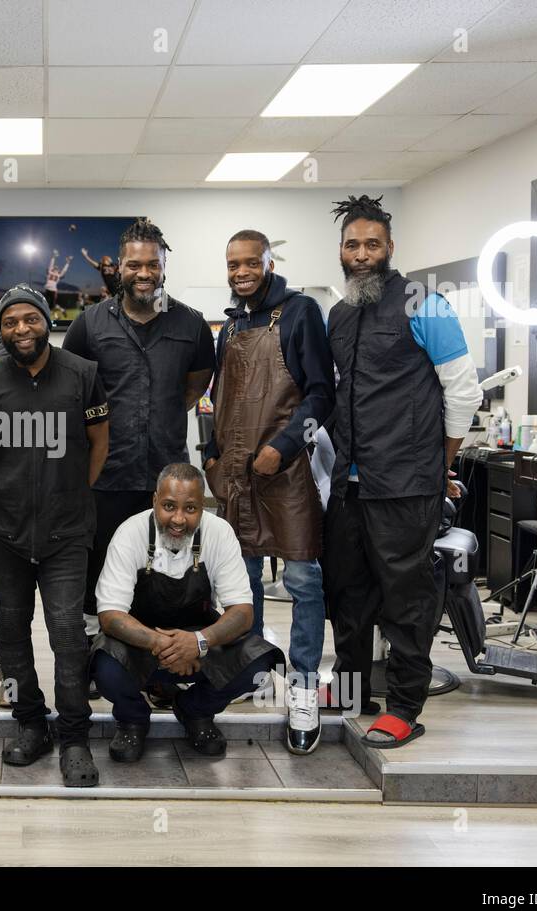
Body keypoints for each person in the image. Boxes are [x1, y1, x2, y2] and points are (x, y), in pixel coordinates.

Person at [321, 195, 483, 748]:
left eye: (372, 245)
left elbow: (463, 390)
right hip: (350, 482)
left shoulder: (425, 305)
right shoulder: (339, 315)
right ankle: (350, 691)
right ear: (341, 251)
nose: (361, 254)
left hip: (407, 484)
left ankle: (406, 705)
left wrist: (441, 463)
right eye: (352, 245)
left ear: (390, 249)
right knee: (348, 593)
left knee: (405, 598)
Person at [0, 284, 109, 787]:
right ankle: (30, 724)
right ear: (0, 329)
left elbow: (98, 443)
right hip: (3, 531)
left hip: (67, 531)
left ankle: (73, 736)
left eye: (30, 319)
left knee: (68, 632)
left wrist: (67, 493)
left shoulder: (83, 375)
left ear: (46, 321)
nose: (21, 329)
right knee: (10, 630)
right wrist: (9, 493)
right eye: (10, 322)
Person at [202, 229, 335, 755]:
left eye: (250, 262)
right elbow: (215, 398)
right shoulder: (230, 326)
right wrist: (210, 455)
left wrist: (283, 447)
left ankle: (304, 688)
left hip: (288, 472)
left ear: (270, 262)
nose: (240, 272)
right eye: (232, 264)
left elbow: (323, 395)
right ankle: (251, 673)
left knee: (303, 579)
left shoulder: (301, 312)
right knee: (242, 580)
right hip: (234, 473)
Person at [63, 218, 214, 645]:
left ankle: (159, 656)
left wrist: (159, 412)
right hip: (105, 473)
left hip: (167, 475)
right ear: (120, 267)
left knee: (165, 569)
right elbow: (70, 389)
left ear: (164, 265)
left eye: (153, 264)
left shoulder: (192, 325)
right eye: (134, 265)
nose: (143, 273)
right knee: (100, 563)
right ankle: (95, 652)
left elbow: (196, 384)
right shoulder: (89, 324)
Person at [93, 464, 284, 762]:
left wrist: (198, 642)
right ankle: (133, 720)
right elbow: (110, 615)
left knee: (260, 661)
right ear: (155, 500)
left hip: (201, 647)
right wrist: (164, 645)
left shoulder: (220, 533)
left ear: (203, 505)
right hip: (142, 644)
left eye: (190, 508)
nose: (179, 519)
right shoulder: (130, 532)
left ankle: (196, 710)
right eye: (169, 506)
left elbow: (242, 612)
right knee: (103, 664)